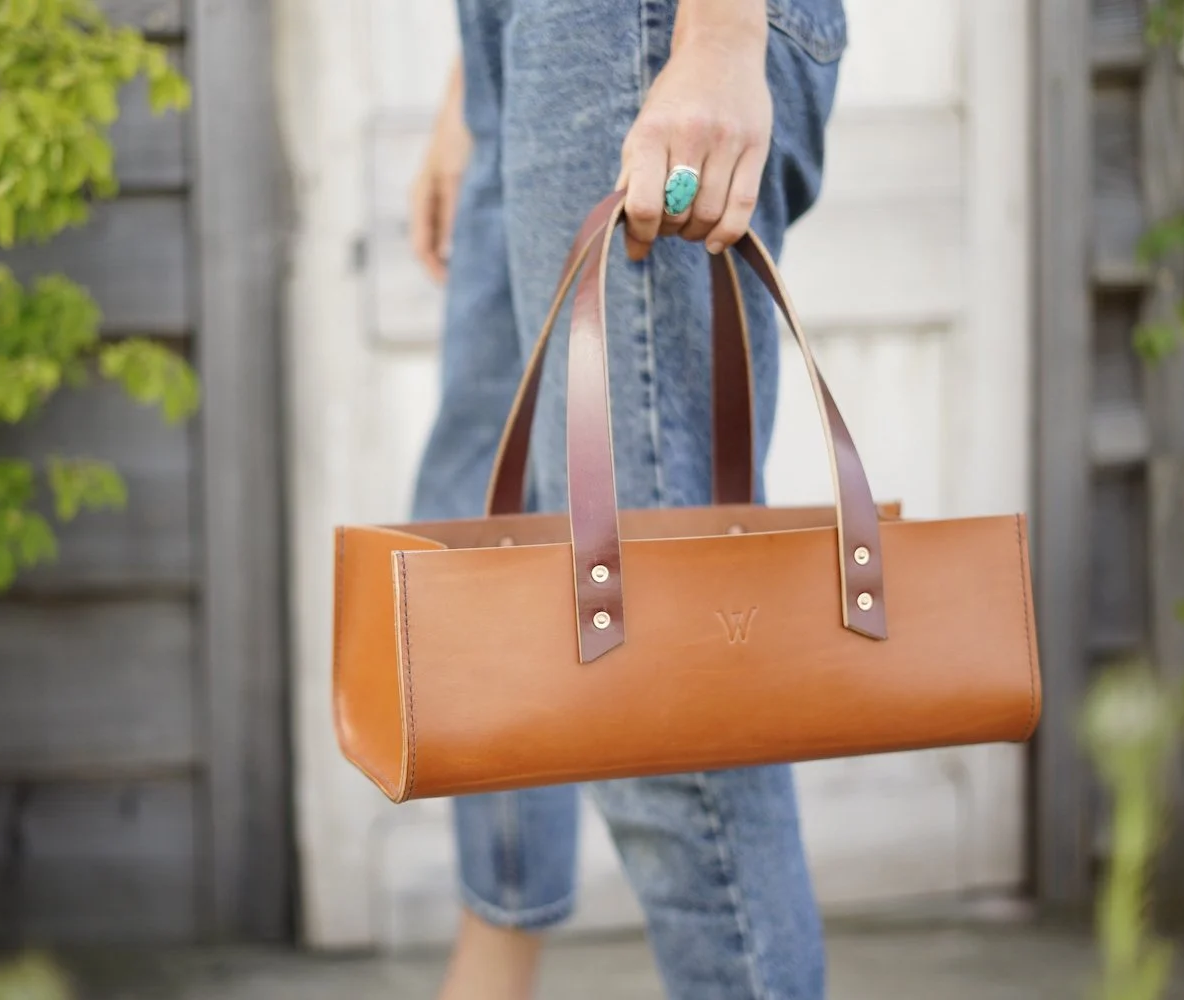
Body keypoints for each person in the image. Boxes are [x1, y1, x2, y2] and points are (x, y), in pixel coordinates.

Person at [406, 2, 845, 997]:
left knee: (659, 666)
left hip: (642, 26)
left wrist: (723, 36)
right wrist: (468, 89)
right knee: (484, 544)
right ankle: (488, 975)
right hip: (521, 42)